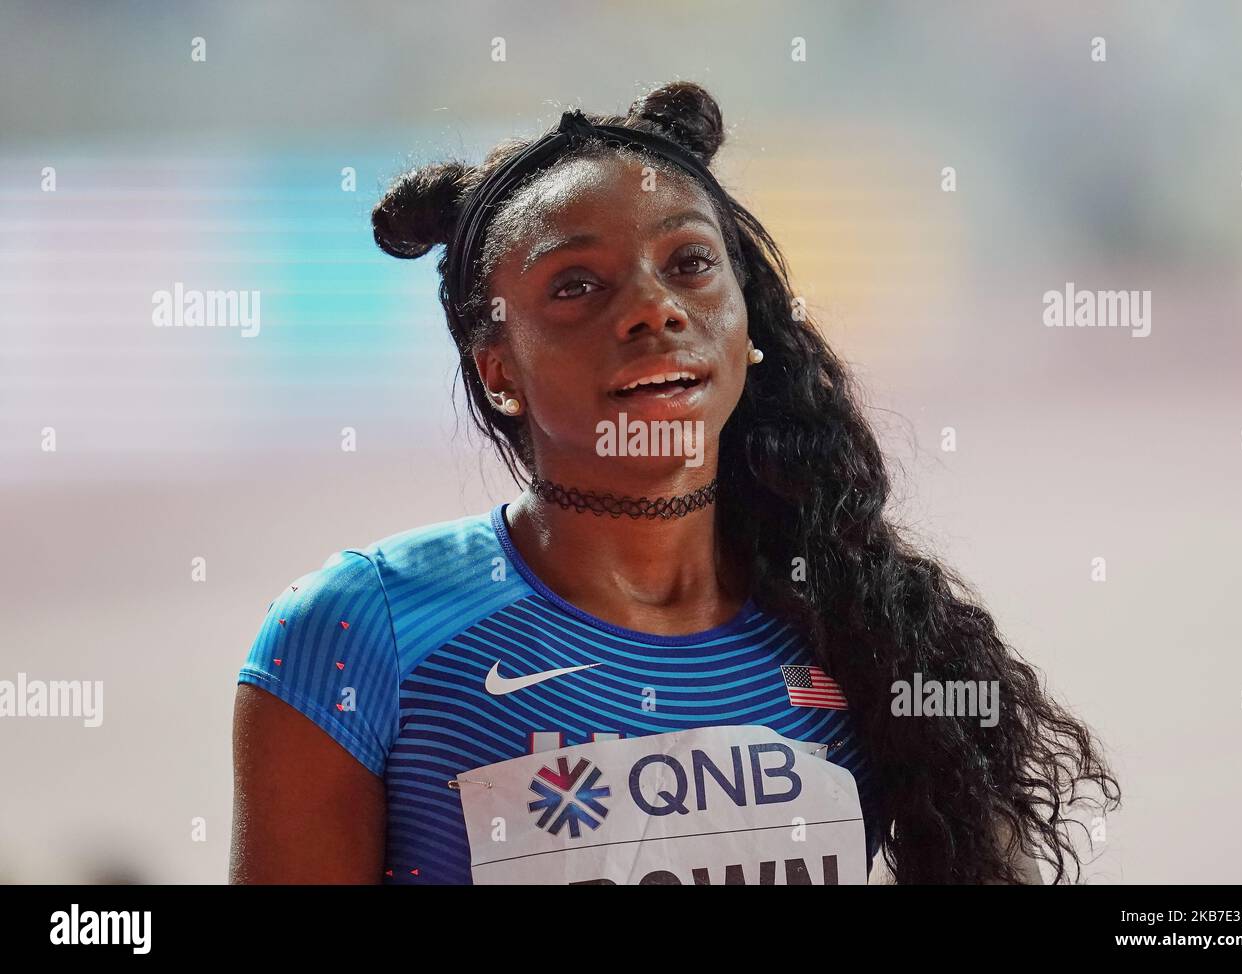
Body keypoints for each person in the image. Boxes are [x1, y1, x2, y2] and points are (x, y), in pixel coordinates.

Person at [229, 81, 1119, 885]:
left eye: (690, 264)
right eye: (576, 285)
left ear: (747, 323)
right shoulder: (362, 631)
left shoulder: (871, 626)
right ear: (497, 369)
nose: (654, 307)